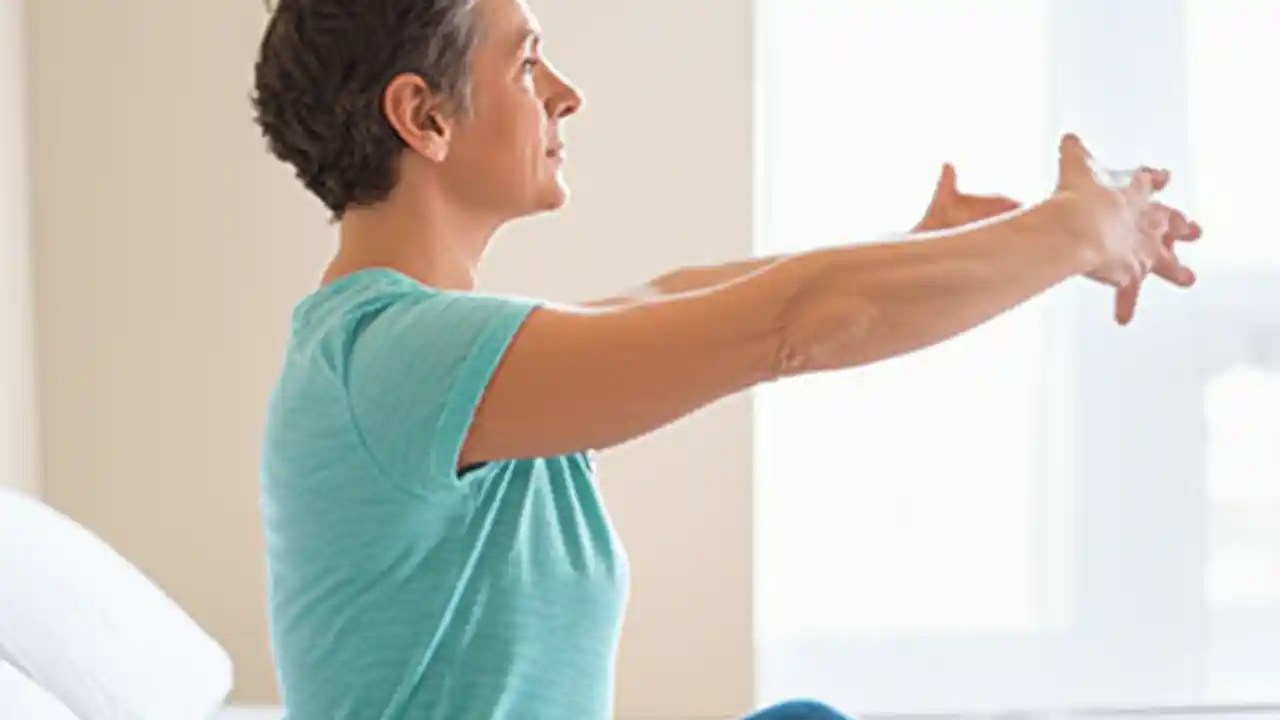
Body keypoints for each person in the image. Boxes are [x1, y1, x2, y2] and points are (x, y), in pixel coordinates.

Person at [250, 0, 1201, 718]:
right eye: (529, 63)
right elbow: (796, 322)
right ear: (424, 115)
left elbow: (675, 295)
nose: (565, 94)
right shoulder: (392, 355)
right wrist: (1069, 233)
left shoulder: (428, 355)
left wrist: (917, 246)